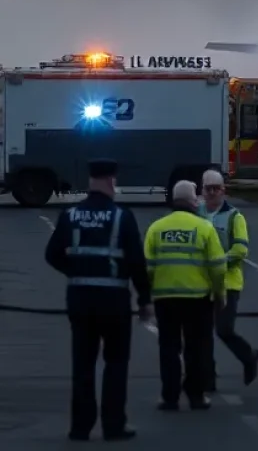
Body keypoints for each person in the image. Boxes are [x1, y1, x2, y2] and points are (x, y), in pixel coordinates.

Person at [44, 159, 152, 442]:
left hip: (80, 300)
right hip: (114, 302)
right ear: (112, 182)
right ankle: (113, 426)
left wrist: (76, 270)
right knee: (116, 364)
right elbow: (137, 262)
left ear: (90, 181)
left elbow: (52, 254)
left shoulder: (70, 215)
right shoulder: (122, 217)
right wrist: (144, 300)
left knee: (83, 365)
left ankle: (80, 428)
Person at [144, 180, 227, 411]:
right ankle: (196, 396)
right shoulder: (204, 228)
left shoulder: (156, 228)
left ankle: (169, 398)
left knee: (168, 348)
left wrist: (148, 294)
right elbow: (218, 267)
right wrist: (219, 293)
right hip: (197, 298)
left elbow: (148, 266)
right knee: (197, 348)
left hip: (165, 298)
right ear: (193, 200)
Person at [198, 170, 258, 391]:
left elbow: (241, 249)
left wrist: (219, 261)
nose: (212, 192)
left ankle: (249, 356)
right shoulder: (197, 214)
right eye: (208, 188)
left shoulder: (235, 216)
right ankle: (208, 377)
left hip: (228, 283)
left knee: (223, 330)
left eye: (217, 188)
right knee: (202, 332)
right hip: (201, 283)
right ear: (202, 191)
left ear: (224, 190)